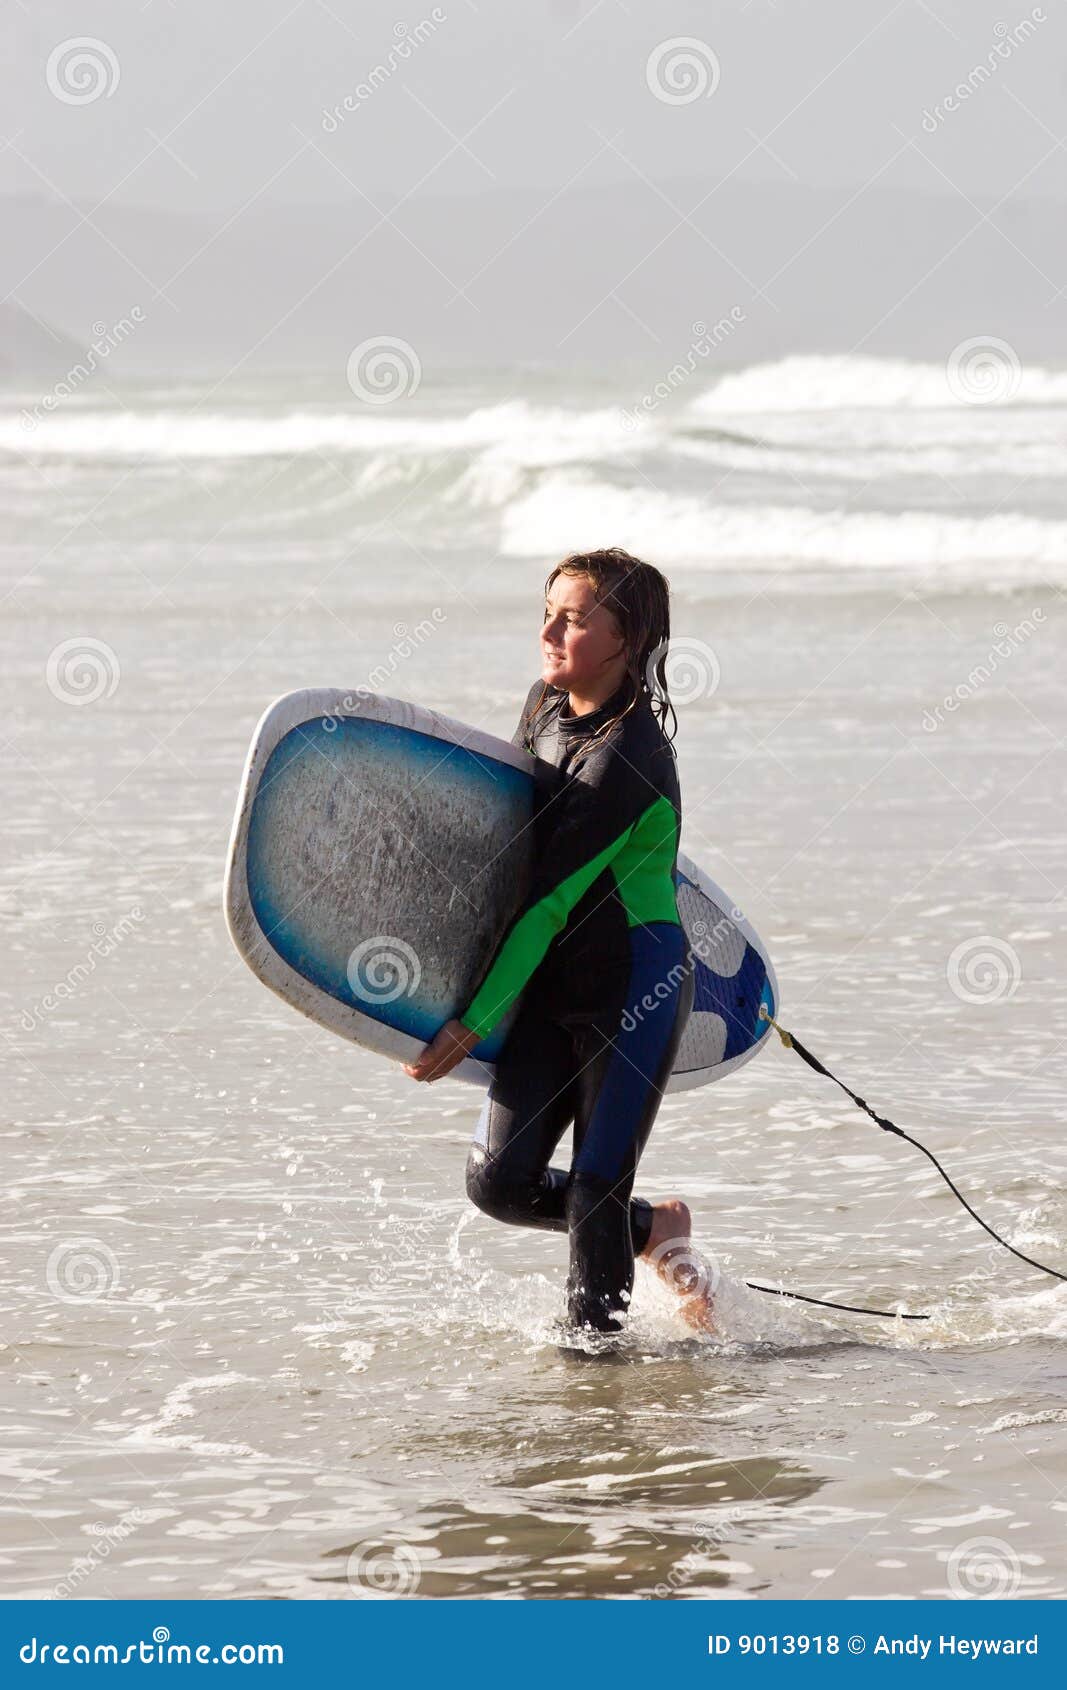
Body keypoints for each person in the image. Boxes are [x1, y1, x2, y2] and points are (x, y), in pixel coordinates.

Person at [404, 547, 713, 1336]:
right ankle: (654, 1230)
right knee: (498, 1185)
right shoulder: (544, 703)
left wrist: (472, 1021)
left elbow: (546, 899)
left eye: (574, 619)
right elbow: (505, 842)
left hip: (628, 986)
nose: (548, 631)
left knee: (593, 1186)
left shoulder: (629, 759)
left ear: (628, 638)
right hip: (546, 983)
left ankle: (594, 1376)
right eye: (547, 612)